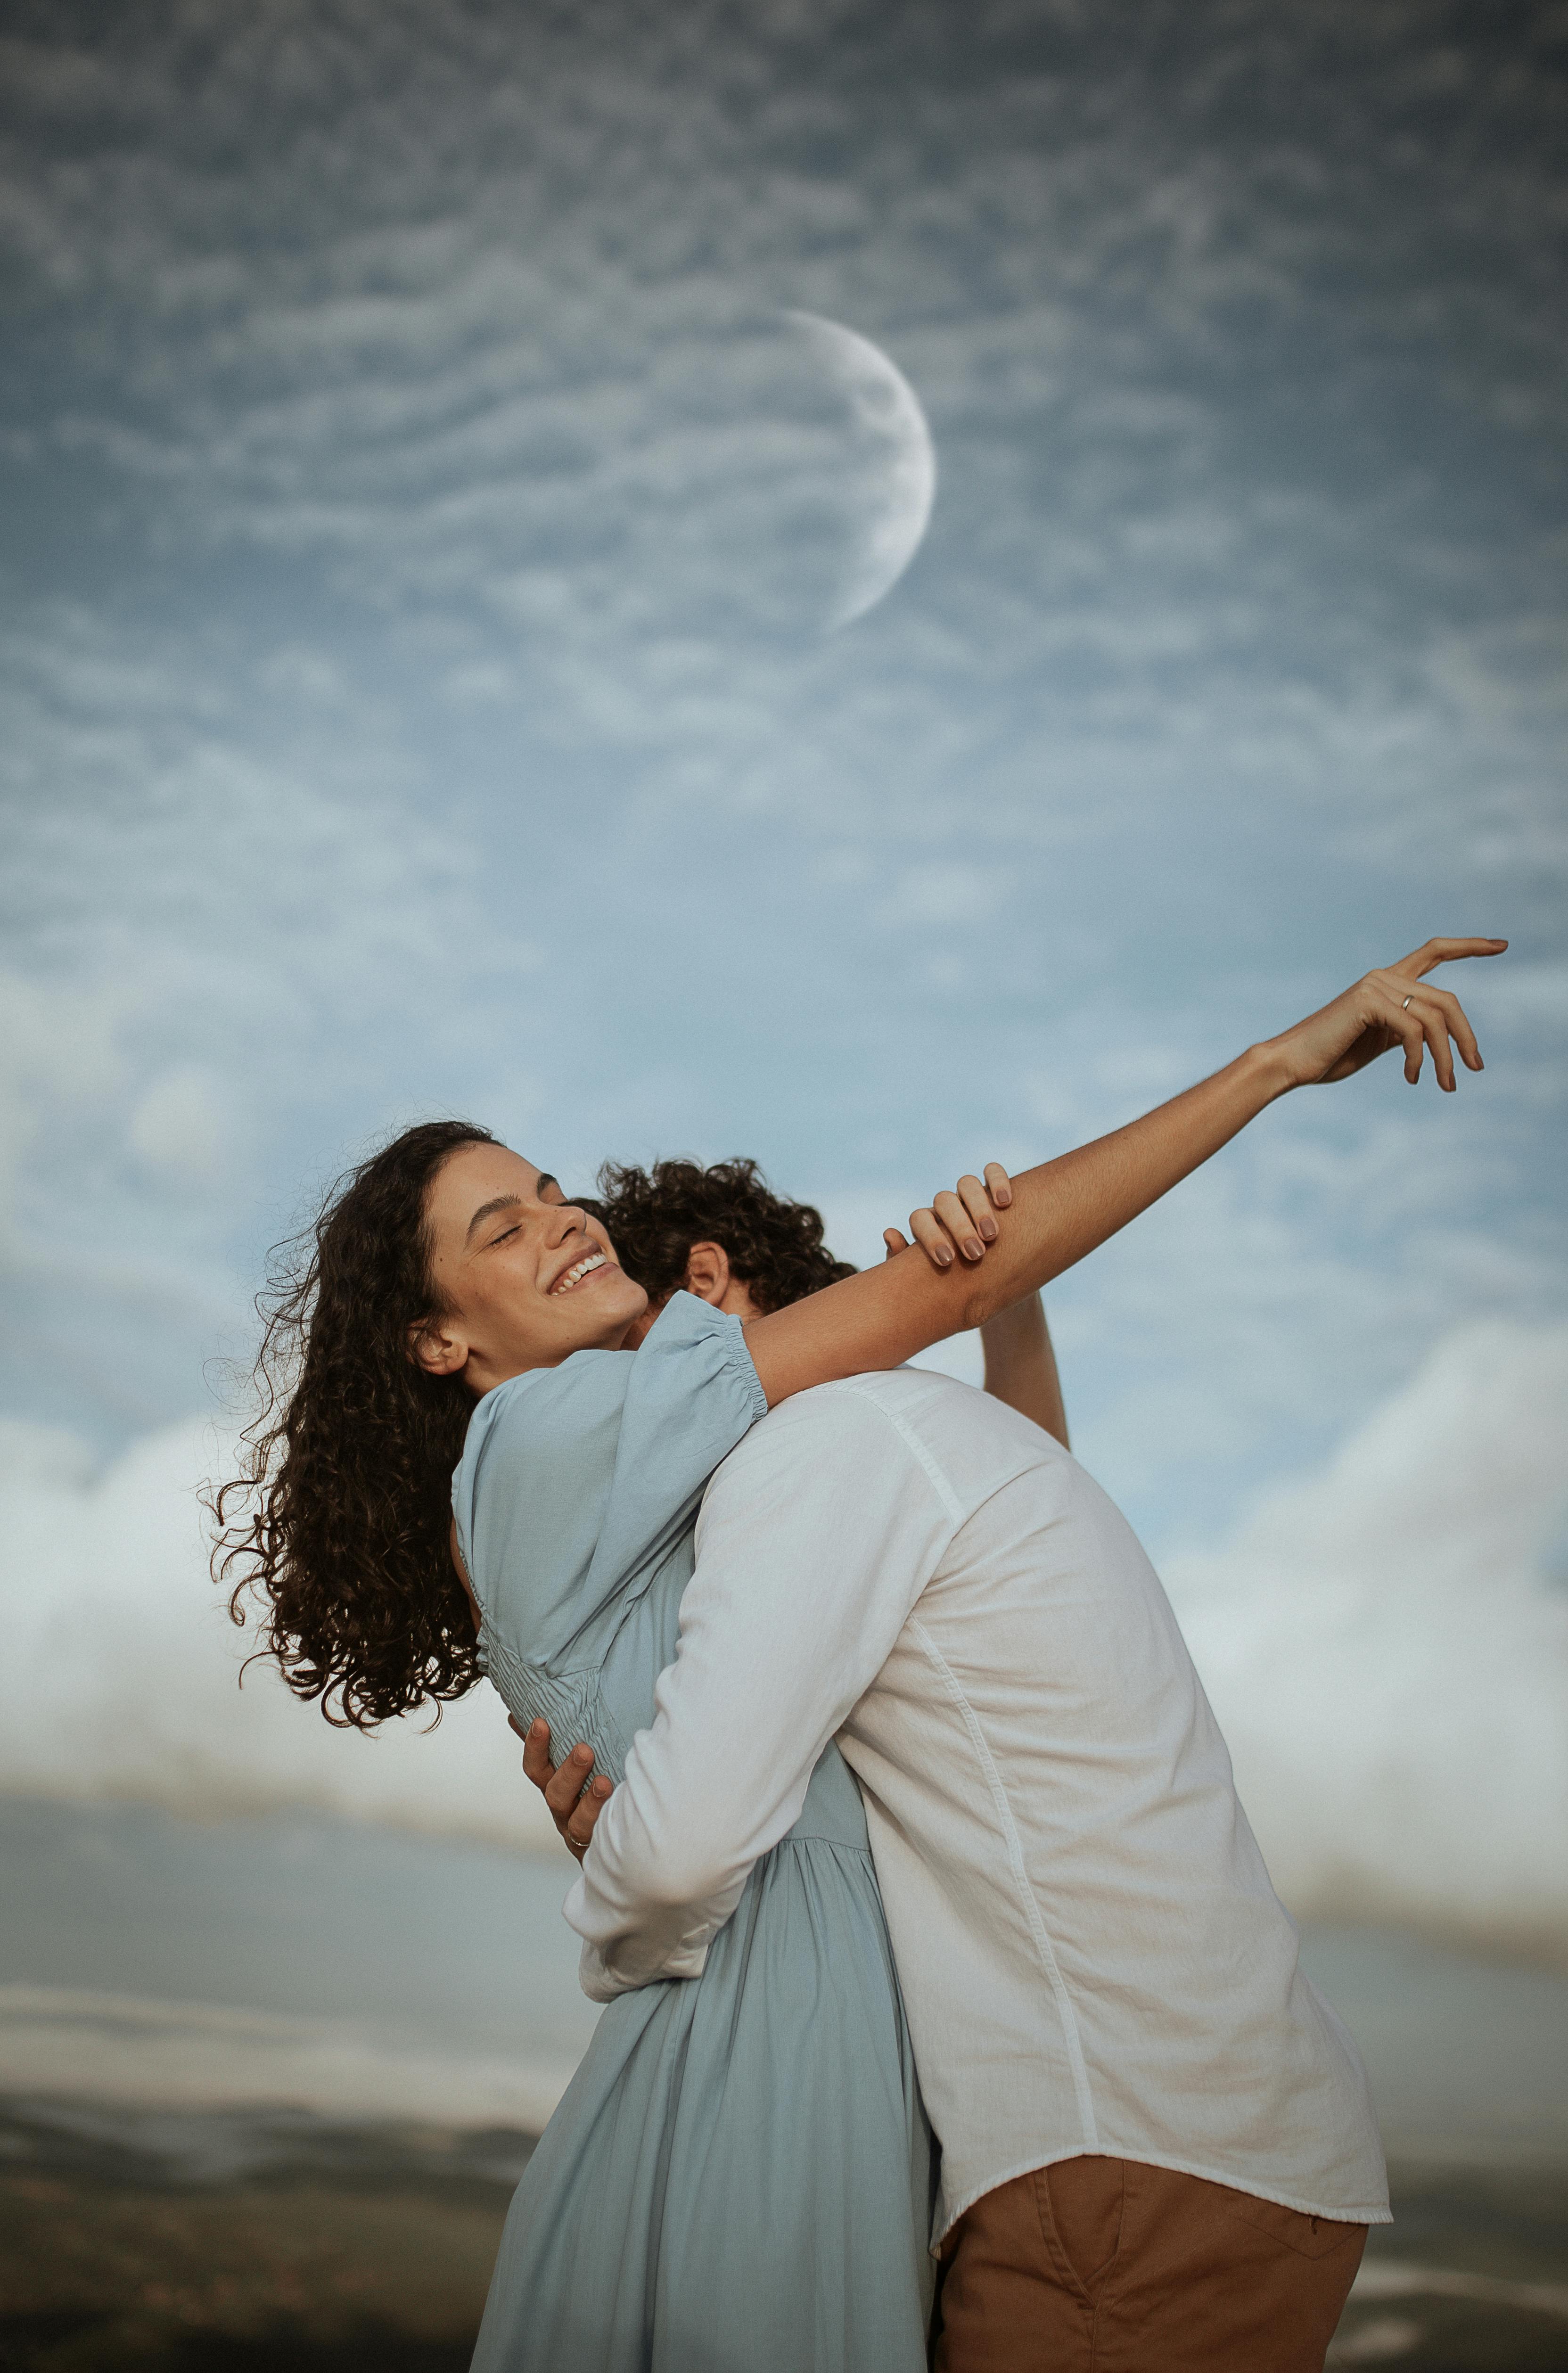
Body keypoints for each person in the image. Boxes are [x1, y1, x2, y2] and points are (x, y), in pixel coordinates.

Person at [213, 935, 1500, 2373]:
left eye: (553, 1192)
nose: (560, 1222)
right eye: (500, 1229)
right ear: (438, 1339)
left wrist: (1010, 1302)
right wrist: (1269, 1066)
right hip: (795, 2076)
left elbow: (971, 1566)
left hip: (935, 2101)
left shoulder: (764, 1480)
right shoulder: (548, 1433)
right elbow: (926, 1337)